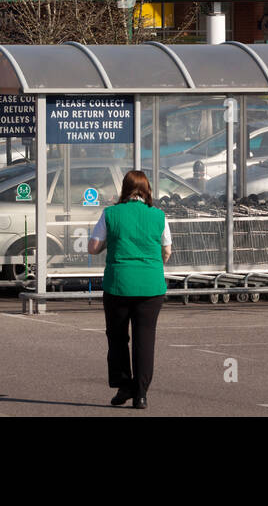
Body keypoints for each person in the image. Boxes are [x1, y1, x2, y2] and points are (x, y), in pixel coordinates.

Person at [88, 170, 171, 409]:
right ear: (147, 191)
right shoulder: (158, 215)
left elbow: (93, 248)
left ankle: (124, 384)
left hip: (118, 285)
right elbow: (167, 250)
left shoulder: (111, 214)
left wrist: (108, 242)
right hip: (151, 286)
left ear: (124, 189)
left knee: (117, 337)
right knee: (145, 339)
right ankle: (141, 393)